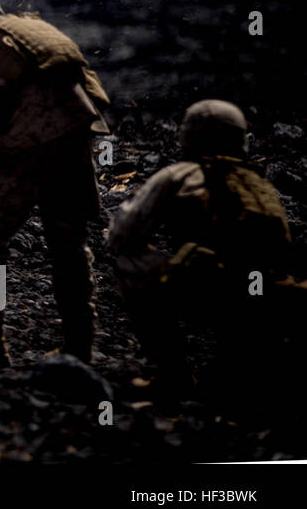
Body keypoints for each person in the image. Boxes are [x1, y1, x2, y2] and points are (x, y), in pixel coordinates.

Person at [0, 0, 110, 368]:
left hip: (26, 147)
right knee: (69, 242)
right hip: (76, 137)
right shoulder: (36, 30)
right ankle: (80, 346)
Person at [108, 99, 299, 397]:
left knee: (131, 261)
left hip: (211, 289)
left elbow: (122, 233)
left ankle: (172, 374)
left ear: (191, 134)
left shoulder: (180, 175)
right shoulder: (261, 185)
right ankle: (239, 368)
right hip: (266, 295)